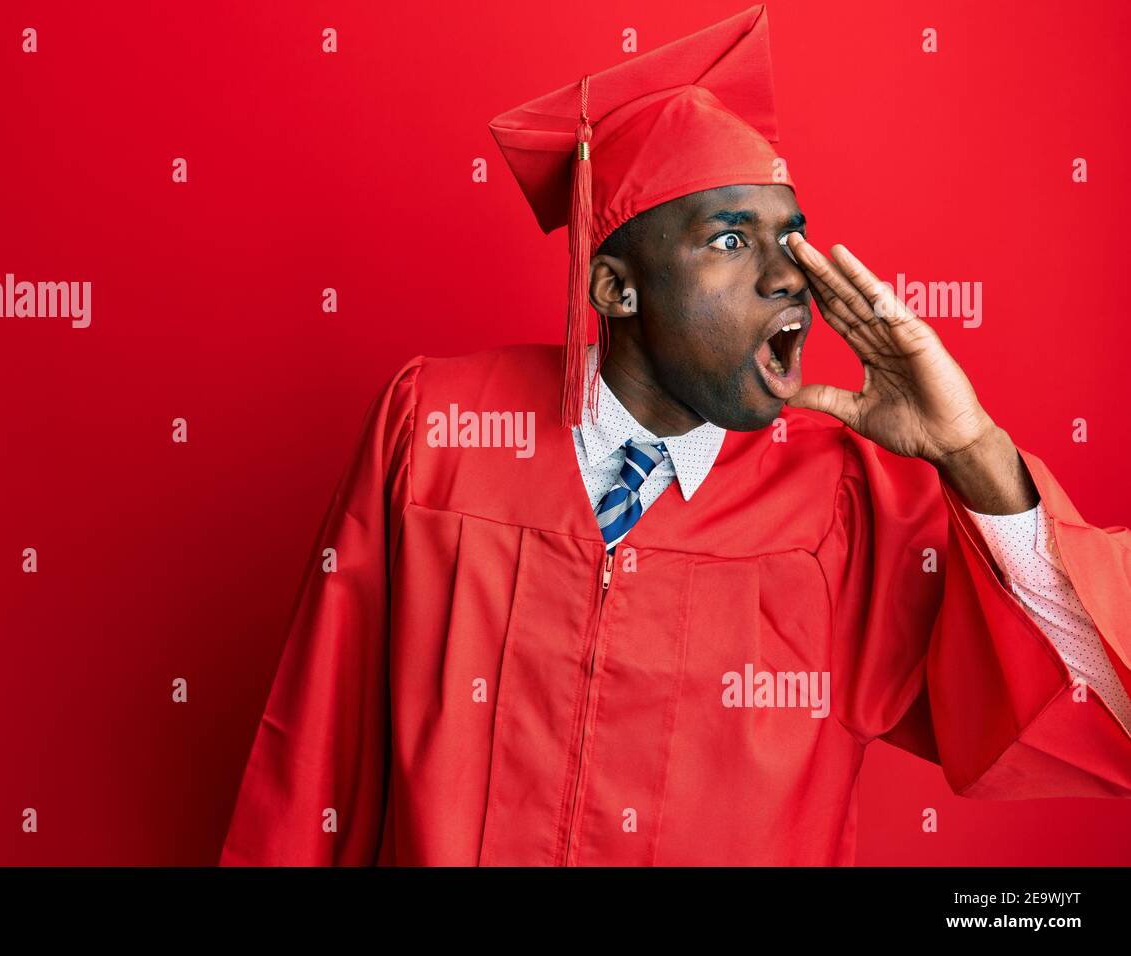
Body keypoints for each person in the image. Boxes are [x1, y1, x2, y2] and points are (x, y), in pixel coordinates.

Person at [219, 4, 1131, 866]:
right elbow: (316, 755)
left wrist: (971, 453)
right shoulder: (441, 434)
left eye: (794, 241)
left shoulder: (845, 500)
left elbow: (1080, 705)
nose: (790, 278)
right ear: (618, 288)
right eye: (732, 241)